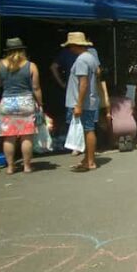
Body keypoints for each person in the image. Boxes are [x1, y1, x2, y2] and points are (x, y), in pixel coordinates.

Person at [0, 38, 43, 174]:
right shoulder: (31, 66)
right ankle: (27, 166)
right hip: (26, 102)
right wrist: (40, 103)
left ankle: (10, 167)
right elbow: (36, 87)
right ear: (22, 50)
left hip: (7, 103)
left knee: (9, 137)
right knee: (27, 136)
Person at [62, 32, 100, 171]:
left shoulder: (81, 60)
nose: (70, 48)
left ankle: (90, 162)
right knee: (87, 129)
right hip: (90, 99)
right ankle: (87, 159)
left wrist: (78, 104)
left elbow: (83, 83)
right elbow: (97, 74)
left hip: (83, 102)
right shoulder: (91, 57)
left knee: (88, 129)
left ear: (75, 45)